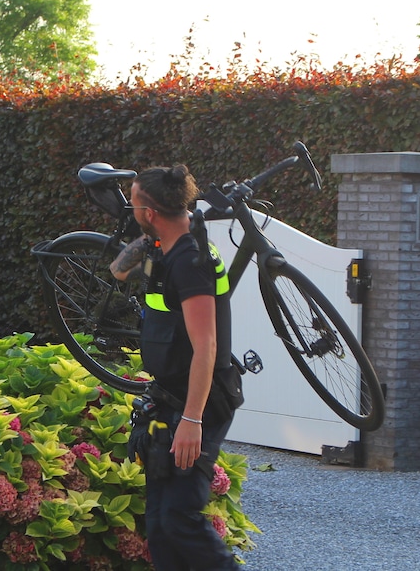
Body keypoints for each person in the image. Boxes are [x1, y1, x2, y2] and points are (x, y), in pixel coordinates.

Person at [111, 164, 239, 570]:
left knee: (181, 519)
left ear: (150, 213)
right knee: (161, 524)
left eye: (134, 204)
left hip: (198, 402)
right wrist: (149, 240)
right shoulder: (166, 246)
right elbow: (117, 270)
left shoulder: (191, 261)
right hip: (169, 398)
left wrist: (192, 420)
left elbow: (207, 347)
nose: (131, 211)